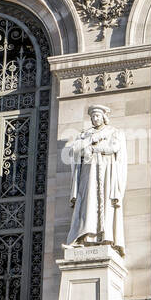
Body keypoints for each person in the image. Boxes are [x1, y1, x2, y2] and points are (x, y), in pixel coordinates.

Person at [65, 104, 126, 255]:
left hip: (106, 173)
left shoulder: (113, 132)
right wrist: (92, 140)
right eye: (93, 117)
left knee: (105, 203)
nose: (95, 119)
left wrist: (95, 148)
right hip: (89, 174)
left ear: (104, 117)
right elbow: (74, 150)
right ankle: (86, 237)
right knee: (88, 202)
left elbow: (115, 148)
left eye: (97, 116)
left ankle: (106, 237)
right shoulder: (85, 135)